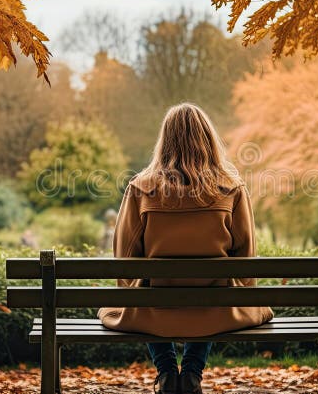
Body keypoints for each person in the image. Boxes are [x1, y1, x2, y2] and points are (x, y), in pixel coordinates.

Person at [98, 103, 274, 394]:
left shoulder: (141, 188)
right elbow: (246, 258)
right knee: (212, 293)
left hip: (153, 310)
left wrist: (132, 290)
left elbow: (124, 259)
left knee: (135, 298)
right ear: (208, 140)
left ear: (164, 141)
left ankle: (167, 371)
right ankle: (191, 372)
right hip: (216, 311)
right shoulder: (231, 187)